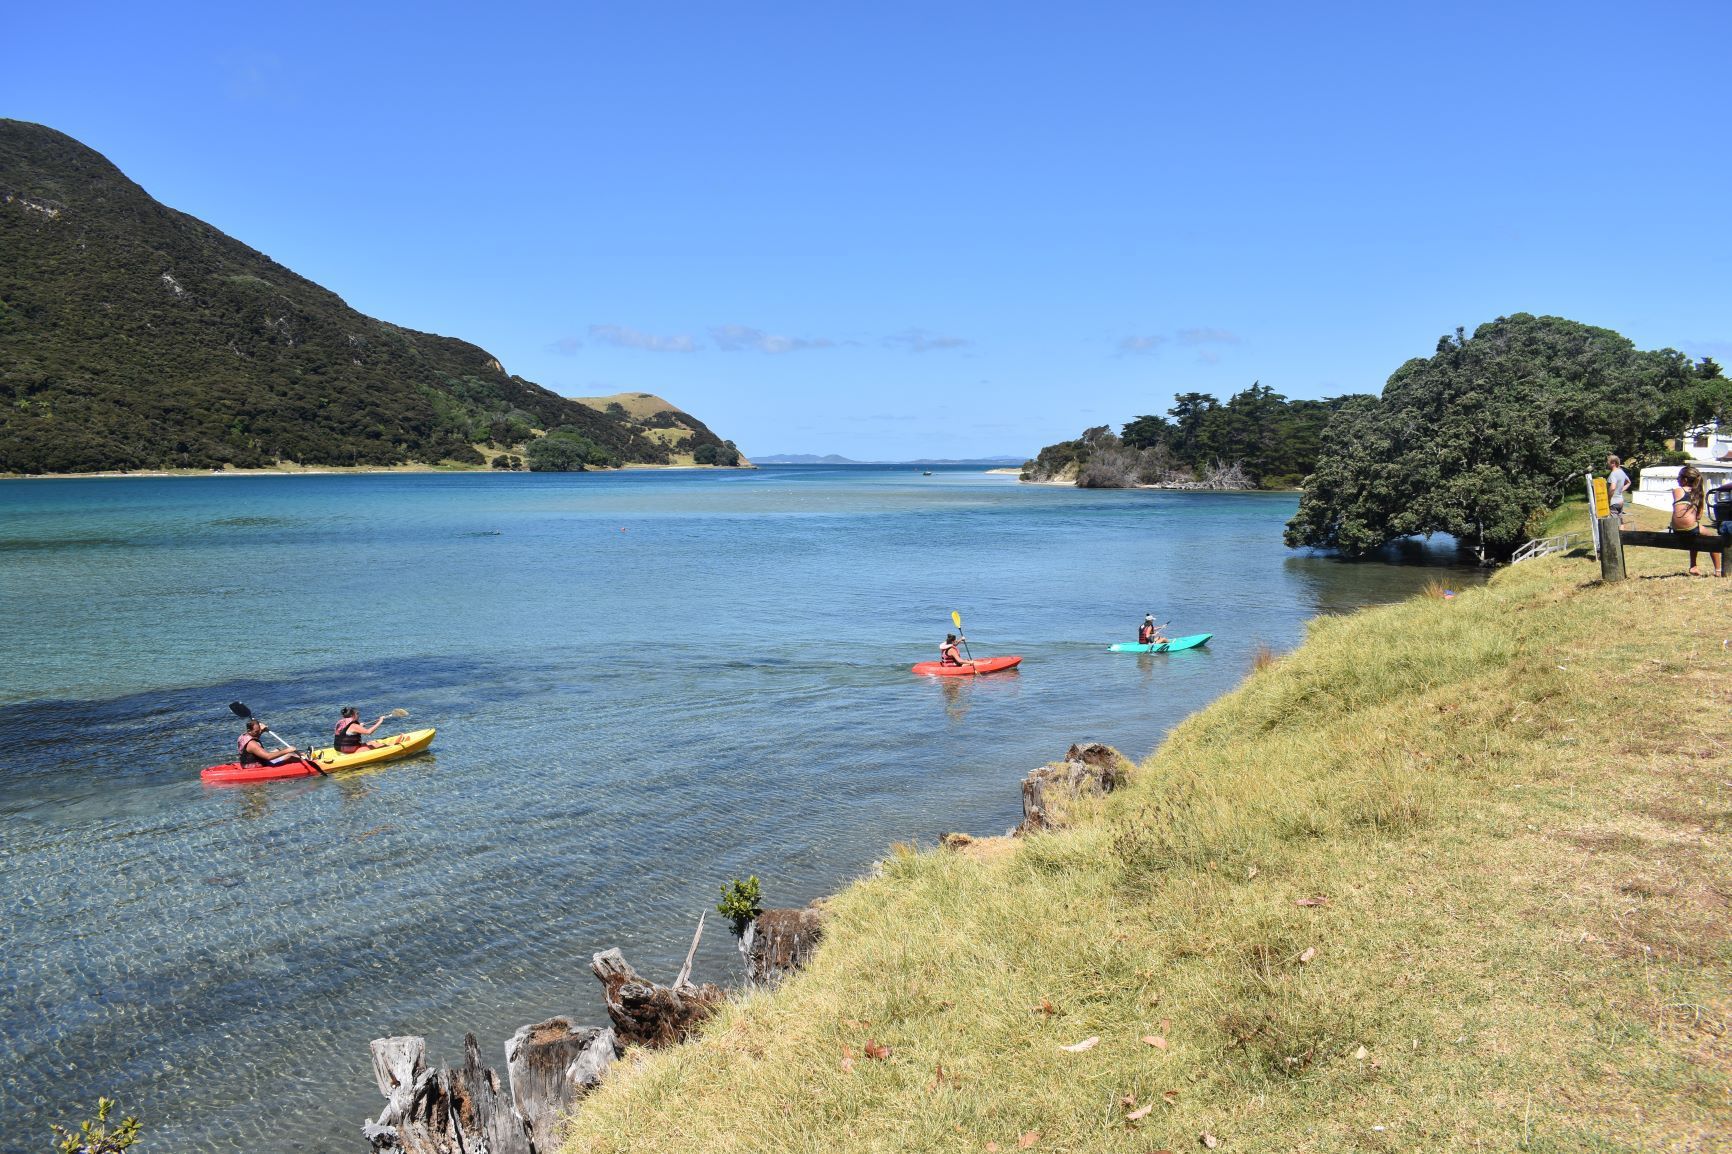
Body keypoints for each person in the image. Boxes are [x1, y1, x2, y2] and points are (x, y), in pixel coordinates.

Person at [1670, 465, 1722, 577]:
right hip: (1691, 527)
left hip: (1675, 528)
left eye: (1678, 477)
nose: (1677, 479)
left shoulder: (1676, 490)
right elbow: (1698, 517)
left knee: (1693, 537)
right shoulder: (1698, 493)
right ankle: (1718, 570)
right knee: (1712, 537)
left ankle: (1693, 566)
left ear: (1684, 480)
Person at [236, 718, 302, 767]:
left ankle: (302, 756)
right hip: (255, 766)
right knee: (289, 755)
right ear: (249, 730)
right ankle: (306, 761)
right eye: (257, 731)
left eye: (259, 730)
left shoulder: (243, 736)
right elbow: (268, 757)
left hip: (249, 762)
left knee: (278, 750)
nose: (259, 732)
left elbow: (255, 736)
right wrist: (287, 750)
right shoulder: (252, 744)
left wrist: (263, 731)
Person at [1606, 455, 1631, 527]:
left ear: (1613, 463)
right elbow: (1629, 482)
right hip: (1621, 501)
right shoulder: (1621, 472)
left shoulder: (1613, 474)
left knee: (1614, 525)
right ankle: (1622, 537)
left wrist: (1608, 498)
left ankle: (1617, 538)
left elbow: (1613, 488)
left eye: (1608, 462)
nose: (1607, 463)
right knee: (1620, 523)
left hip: (1614, 502)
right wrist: (1620, 490)